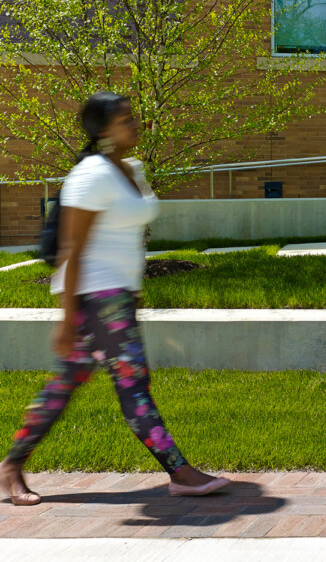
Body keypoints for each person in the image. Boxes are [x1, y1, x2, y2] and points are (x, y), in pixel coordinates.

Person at [1, 92, 230, 506]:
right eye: (126, 118)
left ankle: (10, 467)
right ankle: (180, 472)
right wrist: (67, 317)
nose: (135, 122)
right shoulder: (91, 174)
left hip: (117, 296)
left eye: (134, 116)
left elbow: (124, 234)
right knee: (134, 385)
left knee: (65, 386)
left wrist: (132, 290)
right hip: (95, 296)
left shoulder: (131, 168)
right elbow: (72, 248)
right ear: (103, 128)